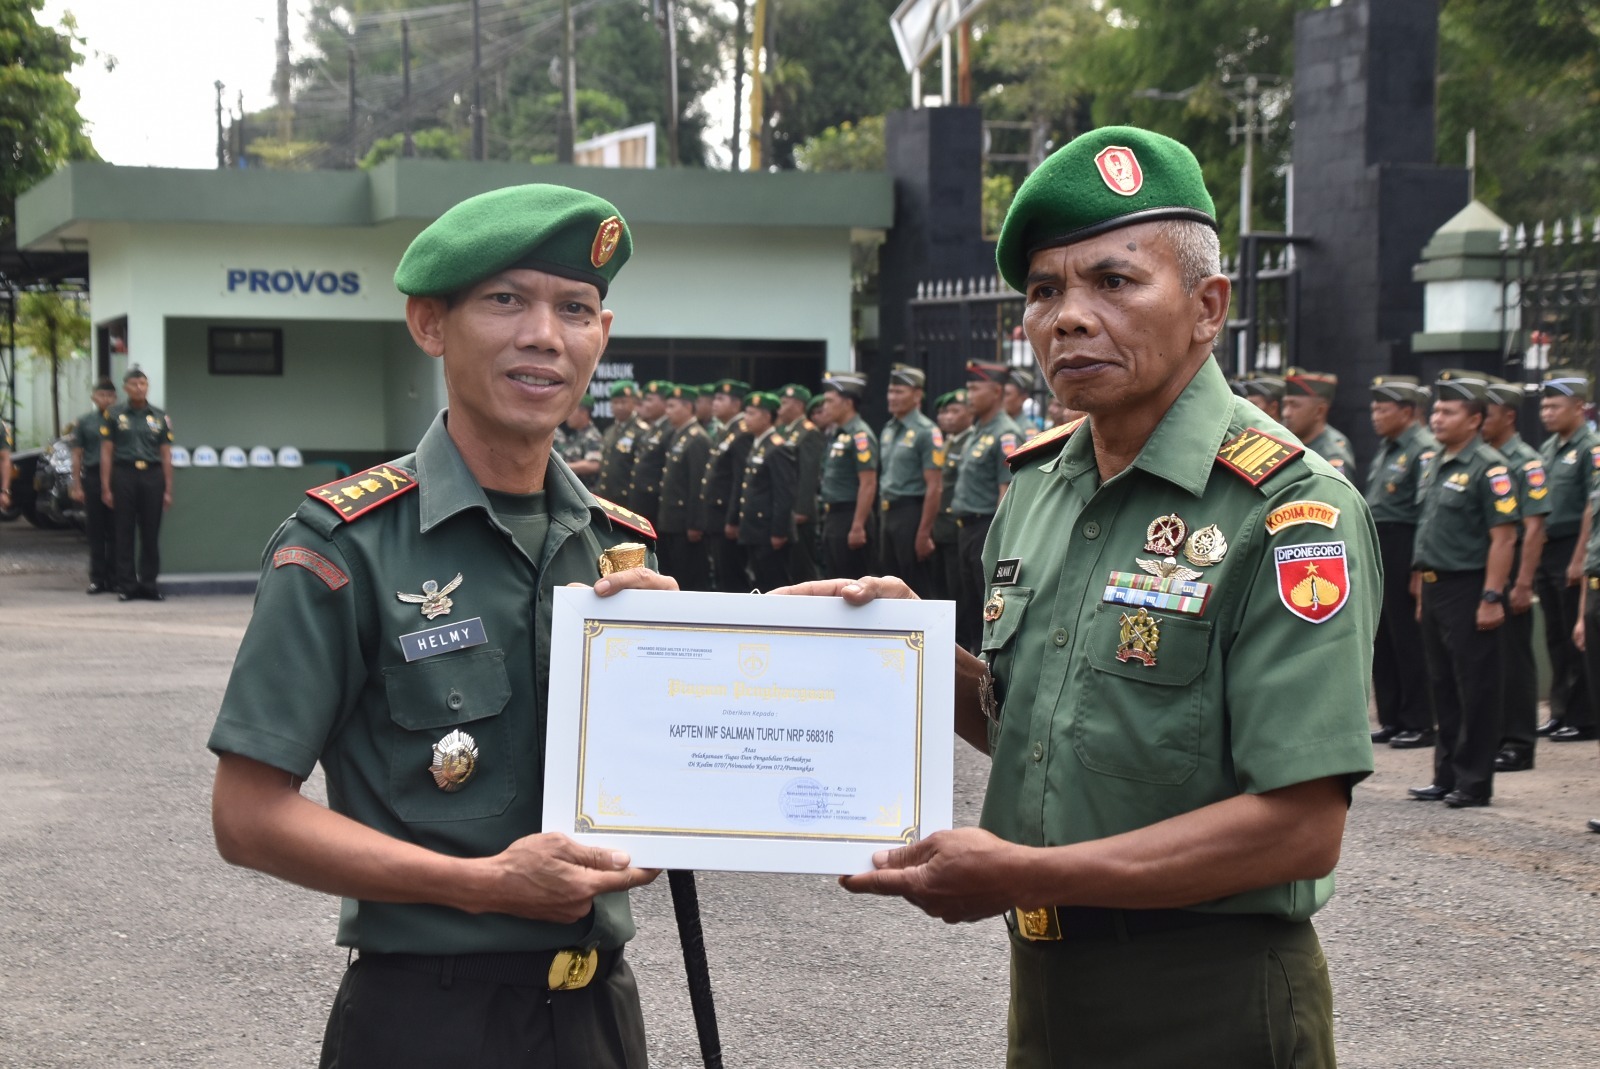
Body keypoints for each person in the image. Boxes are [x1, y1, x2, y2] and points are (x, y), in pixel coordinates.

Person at [791, 126, 1377, 1068]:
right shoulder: (1041, 487)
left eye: (1113, 281)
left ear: (1207, 306)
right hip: (1051, 985)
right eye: (1044, 291)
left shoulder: (1290, 508)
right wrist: (911, 647)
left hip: (1211, 999)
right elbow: (1039, 721)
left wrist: (1024, 871)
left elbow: (1301, 827)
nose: (1067, 316)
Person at [207, 183, 668, 1068]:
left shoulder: (621, 550)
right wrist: (482, 886)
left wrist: (767, 642)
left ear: (600, 337)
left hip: (600, 1017)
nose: (545, 334)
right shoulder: (347, 545)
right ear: (429, 323)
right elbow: (248, 815)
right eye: (507, 300)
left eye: (575, 308)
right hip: (427, 1020)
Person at [1407, 370, 1520, 809]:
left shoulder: (1491, 468)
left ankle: (1474, 781)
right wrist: (1420, 588)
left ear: (1475, 420)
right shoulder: (1435, 460)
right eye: (1435, 410)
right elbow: (1427, 530)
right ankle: (1447, 773)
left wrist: (1492, 596)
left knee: (1476, 686)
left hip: (1470, 586)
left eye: (1448, 411)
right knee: (1443, 684)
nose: (1437, 418)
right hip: (1435, 586)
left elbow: (1505, 536)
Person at [1364, 375, 1440, 749]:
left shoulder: (1422, 449)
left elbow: (1425, 510)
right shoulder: (1389, 447)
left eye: (1383, 409)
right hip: (1384, 543)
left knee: (1409, 639)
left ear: (1408, 412)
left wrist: (1417, 566)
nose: (1375, 416)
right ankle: (1392, 716)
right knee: (1387, 636)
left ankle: (1419, 720)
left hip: (1405, 544)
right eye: (1373, 408)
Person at [1481, 377, 1551, 772]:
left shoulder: (1524, 461)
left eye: (1487, 416)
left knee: (1516, 661)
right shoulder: (1487, 458)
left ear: (1508, 417)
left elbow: (1534, 528)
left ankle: (1520, 743)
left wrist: (1522, 583)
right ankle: (1497, 737)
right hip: (1489, 567)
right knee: (1494, 662)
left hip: (1511, 573)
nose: (1481, 423)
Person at [1534, 369, 1598, 742]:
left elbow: (1593, 506)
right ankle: (1561, 711)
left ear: (1578, 407)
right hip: (1548, 548)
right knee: (1556, 636)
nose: (1546, 412)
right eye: (1543, 406)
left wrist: (1578, 559)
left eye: (1555, 406)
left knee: (1578, 640)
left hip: (1574, 546)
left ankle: (1583, 715)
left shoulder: (1591, 448)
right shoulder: (1549, 449)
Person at [950, 361, 1022, 653]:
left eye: (975, 388)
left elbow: (1005, 491)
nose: (969, 395)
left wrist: (999, 540)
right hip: (966, 528)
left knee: (985, 601)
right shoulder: (978, 431)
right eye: (968, 389)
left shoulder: (1005, 433)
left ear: (995, 391)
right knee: (967, 601)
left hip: (985, 527)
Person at [100, 366, 175, 601]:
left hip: (152, 476)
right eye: (134, 384)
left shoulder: (159, 416)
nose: (139, 388)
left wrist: (168, 489)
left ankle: (149, 584)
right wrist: (106, 486)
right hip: (124, 474)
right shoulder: (114, 415)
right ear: (125, 388)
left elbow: (165, 454)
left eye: (143, 383)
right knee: (124, 531)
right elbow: (106, 453)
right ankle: (127, 586)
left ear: (147, 386)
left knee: (150, 532)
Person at [877, 364, 944, 598]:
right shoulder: (888, 429)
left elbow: (934, 486)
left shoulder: (926, 431)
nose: (892, 397)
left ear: (917, 395)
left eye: (899, 392)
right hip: (887, 514)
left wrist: (924, 533)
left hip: (911, 514)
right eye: (890, 391)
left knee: (915, 584)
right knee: (887, 581)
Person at [732, 391, 798, 591]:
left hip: (769, 531)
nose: (746, 418)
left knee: (775, 585)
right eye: (746, 413)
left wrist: (779, 532)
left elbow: (784, 494)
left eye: (752, 413)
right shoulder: (759, 444)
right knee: (760, 583)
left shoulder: (777, 447)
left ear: (767, 417)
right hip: (755, 530)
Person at [816, 371, 878, 579]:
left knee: (852, 581)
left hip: (850, 515)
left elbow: (868, 483)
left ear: (847, 403)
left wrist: (858, 525)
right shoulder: (838, 433)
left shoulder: (860, 434)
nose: (825, 406)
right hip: (833, 516)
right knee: (835, 579)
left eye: (830, 401)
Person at [656, 383, 712, 591]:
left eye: (672, 406)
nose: (667, 411)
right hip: (671, 519)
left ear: (688, 407)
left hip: (684, 522)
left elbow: (697, 485)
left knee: (688, 577)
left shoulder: (697, 438)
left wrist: (695, 524)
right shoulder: (679, 435)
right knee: (674, 572)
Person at [699, 379, 754, 592]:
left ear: (736, 404)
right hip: (716, 515)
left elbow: (740, 481)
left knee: (732, 577)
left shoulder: (742, 433)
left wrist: (733, 519)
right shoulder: (726, 431)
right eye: (715, 398)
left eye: (721, 399)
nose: (714, 403)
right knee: (722, 575)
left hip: (726, 517)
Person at [67, 378, 120, 593]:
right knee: (95, 529)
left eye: (109, 396)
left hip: (119, 477)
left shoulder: (121, 420)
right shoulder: (84, 422)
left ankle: (116, 578)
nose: (105, 399)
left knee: (117, 529)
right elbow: (77, 455)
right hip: (93, 476)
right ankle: (97, 578)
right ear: (94, 398)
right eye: (101, 395)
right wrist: (76, 485)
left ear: (116, 398)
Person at [778, 383, 825, 583]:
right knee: (789, 568)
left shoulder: (809, 432)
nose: (780, 406)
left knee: (803, 569)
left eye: (785, 402)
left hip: (800, 513)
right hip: (788, 511)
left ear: (798, 405)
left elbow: (808, 475)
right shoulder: (788, 431)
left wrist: (802, 509)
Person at [931, 389, 973, 615]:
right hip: (940, 525)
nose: (947, 417)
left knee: (959, 590)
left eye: (954, 411)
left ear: (970, 413)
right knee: (942, 586)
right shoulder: (945, 443)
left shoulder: (971, 441)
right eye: (944, 412)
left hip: (956, 524)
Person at [1282, 368, 1357, 481]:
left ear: (1319, 411)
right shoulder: (1287, 442)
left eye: (1294, 405)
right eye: (1285, 405)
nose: (1286, 413)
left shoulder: (1332, 453)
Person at [625, 380, 672, 524]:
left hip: (654, 500)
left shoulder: (669, 429)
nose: (645, 404)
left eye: (650, 400)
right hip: (642, 498)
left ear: (665, 403)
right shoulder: (653, 428)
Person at [594, 380, 645, 502]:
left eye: (624, 402)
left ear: (633, 403)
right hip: (606, 496)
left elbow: (641, 473)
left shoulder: (641, 431)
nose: (620, 406)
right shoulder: (609, 431)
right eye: (615, 402)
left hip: (627, 499)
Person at [557, 393, 604, 489]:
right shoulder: (576, 435)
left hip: (587, 493)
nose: (568, 416)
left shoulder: (592, 435)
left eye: (572, 411)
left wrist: (564, 468)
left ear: (584, 413)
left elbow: (594, 464)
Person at [1003, 366, 1046, 439]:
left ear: (1023, 398)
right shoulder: (1002, 424)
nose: (1002, 399)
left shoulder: (1028, 430)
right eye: (1002, 394)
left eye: (1007, 394)